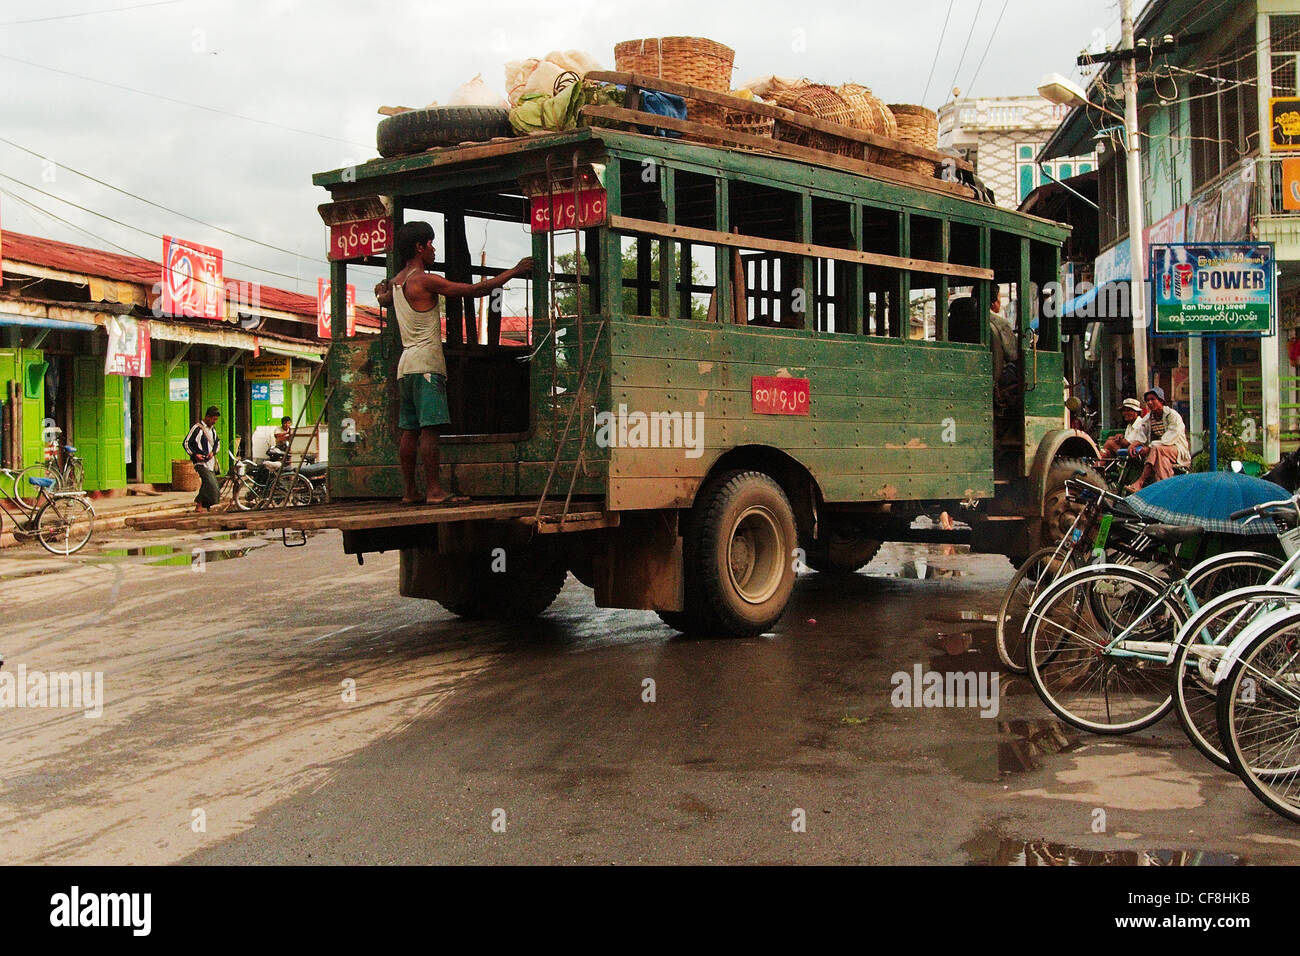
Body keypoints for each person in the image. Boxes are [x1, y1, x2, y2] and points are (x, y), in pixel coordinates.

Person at [374, 221, 532, 505]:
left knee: (409, 431)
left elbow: (384, 298)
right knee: (430, 430)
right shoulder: (423, 280)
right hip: (426, 366)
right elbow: (472, 290)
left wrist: (378, 291)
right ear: (419, 247)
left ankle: (410, 491)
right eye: (431, 244)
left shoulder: (397, 282)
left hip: (405, 366)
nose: (434, 250)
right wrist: (513, 272)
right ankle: (434, 491)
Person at [1125, 385, 1190, 493]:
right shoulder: (1149, 418)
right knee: (1162, 461)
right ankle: (1165, 488)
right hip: (1161, 453)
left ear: (1161, 401)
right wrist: (1134, 443)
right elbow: (1141, 433)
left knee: (1156, 449)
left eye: (1153, 399)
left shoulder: (1173, 416)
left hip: (1177, 450)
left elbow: (1169, 439)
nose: (1150, 403)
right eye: (1148, 400)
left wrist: (1149, 448)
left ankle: (1140, 481)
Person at [183, 405, 222, 512]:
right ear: (208, 417)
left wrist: (212, 453)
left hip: (210, 462)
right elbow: (186, 443)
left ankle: (203, 506)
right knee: (210, 482)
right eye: (213, 419)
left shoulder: (213, 430)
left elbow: (217, 444)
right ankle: (199, 504)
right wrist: (195, 455)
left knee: (209, 484)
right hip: (200, 463)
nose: (214, 421)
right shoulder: (197, 428)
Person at [1099, 398, 1145, 462]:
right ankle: (1097, 469)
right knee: (1105, 452)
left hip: (1135, 452)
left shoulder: (1140, 423)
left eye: (1129, 411)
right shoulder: (1129, 425)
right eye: (1124, 411)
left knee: (1109, 443)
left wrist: (1116, 438)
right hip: (1127, 449)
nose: (1126, 413)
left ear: (1136, 412)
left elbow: (1126, 443)